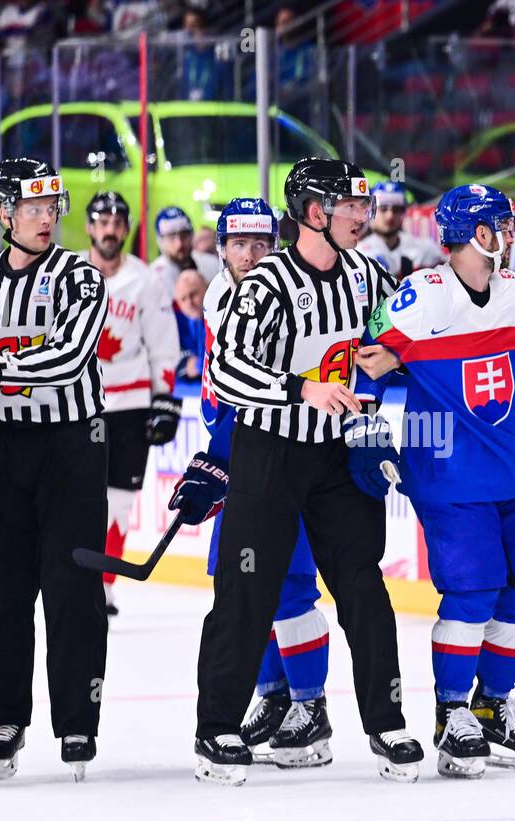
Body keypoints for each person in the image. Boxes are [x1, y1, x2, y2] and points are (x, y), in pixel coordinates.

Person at [194, 157, 422, 786]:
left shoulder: (368, 275)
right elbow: (225, 372)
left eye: (363, 205)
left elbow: (388, 340)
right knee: (247, 592)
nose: (363, 216)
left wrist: (388, 358)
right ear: (314, 213)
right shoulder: (263, 284)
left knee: (362, 586)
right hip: (268, 453)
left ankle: (386, 721)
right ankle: (215, 727)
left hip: (336, 455)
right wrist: (300, 389)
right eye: (351, 206)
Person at [353, 183, 515, 778]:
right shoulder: (418, 298)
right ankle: (452, 714)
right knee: (473, 590)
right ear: (477, 234)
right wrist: (367, 431)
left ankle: (491, 705)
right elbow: (366, 360)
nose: (509, 234)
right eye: (499, 225)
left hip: (510, 472)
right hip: (446, 472)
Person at [0, 157, 110, 782]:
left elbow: (70, 357)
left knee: (71, 585)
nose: (47, 219)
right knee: (2, 589)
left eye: (53, 208)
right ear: (5, 213)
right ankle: (4, 717)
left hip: (71, 446)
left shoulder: (80, 275)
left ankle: (76, 721)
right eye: (34, 208)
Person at [172, 197, 336, 768]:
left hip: (286, 459)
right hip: (239, 457)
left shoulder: (291, 292)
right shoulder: (221, 295)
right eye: (239, 244)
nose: (250, 254)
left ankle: (311, 710)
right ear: (220, 249)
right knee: (236, 582)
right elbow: (223, 391)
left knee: (288, 583)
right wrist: (215, 456)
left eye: (262, 243)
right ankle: (272, 696)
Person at [81, 191, 181, 617]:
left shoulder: (146, 280)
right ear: (89, 227)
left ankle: (102, 588)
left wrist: (165, 398)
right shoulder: (69, 274)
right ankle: (75, 581)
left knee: (120, 500)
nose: (110, 229)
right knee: (79, 498)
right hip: (81, 405)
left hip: (131, 405)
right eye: (102, 221)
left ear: (126, 228)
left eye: (118, 221)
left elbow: (164, 345)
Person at [357, 180, 445, 279]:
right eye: (383, 209)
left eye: (396, 209)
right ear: (370, 210)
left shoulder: (426, 250)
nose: (390, 216)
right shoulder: (359, 253)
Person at [151, 206, 220, 290]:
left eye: (184, 235)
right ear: (160, 242)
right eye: (171, 237)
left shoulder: (211, 264)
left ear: (192, 235)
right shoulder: (153, 277)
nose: (179, 244)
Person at [172, 269, 208, 382]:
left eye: (193, 294)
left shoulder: (224, 316)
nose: (189, 303)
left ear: (207, 289)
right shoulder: (173, 324)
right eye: (183, 299)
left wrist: (197, 365)